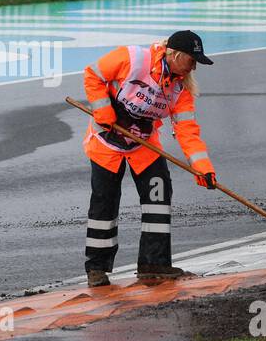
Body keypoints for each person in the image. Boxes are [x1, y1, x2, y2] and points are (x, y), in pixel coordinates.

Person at [81, 30, 217, 287]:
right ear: (176, 55)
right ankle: (96, 269)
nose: (194, 66)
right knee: (104, 203)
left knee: (158, 194)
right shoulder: (133, 58)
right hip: (106, 143)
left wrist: (202, 167)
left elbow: (187, 130)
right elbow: (93, 74)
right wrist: (103, 109)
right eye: (192, 60)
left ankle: (154, 264)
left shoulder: (180, 89)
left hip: (144, 145)